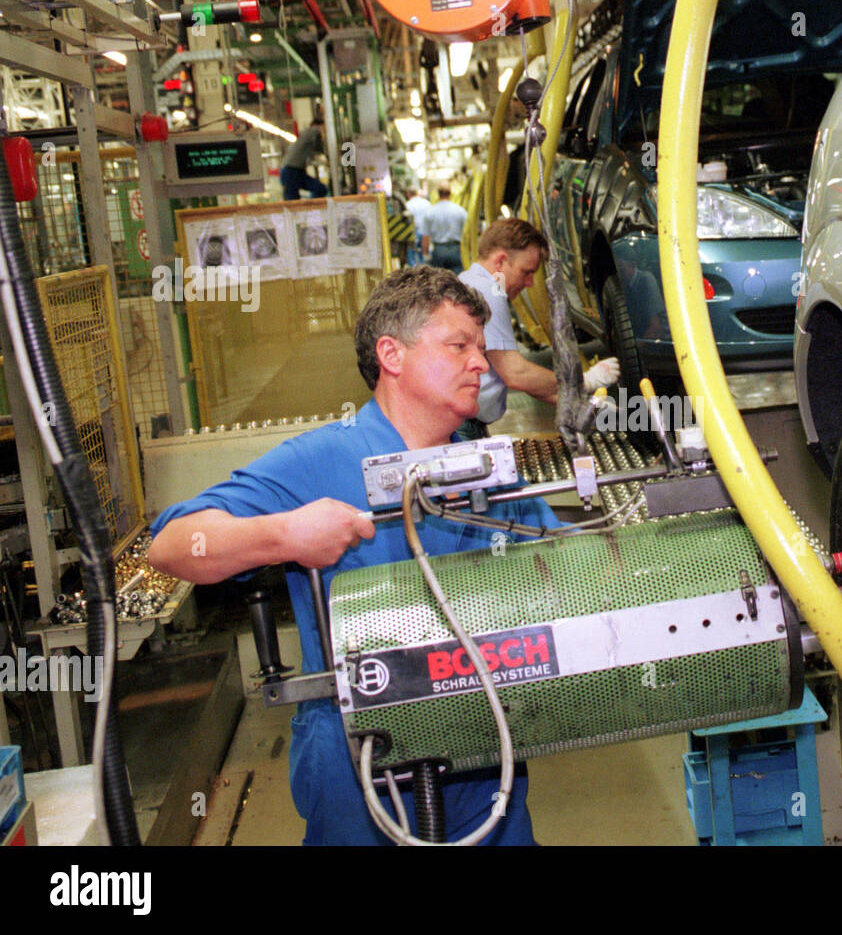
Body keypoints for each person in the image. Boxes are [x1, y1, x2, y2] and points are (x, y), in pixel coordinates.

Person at [147, 267, 561, 845]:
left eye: (480, 347)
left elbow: (563, 565)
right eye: (458, 345)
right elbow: (173, 545)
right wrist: (285, 534)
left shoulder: (486, 468)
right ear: (391, 354)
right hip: (362, 761)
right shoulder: (324, 459)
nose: (481, 363)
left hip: (483, 750)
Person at [458, 218, 619, 438]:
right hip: (462, 424)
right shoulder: (489, 292)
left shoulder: (470, 281)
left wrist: (584, 406)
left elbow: (527, 382)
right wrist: (584, 381)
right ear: (501, 262)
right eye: (527, 272)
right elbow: (516, 373)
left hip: (466, 422)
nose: (530, 283)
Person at [280, 117, 329, 201]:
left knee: (320, 189)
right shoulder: (312, 131)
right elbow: (317, 133)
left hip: (296, 171)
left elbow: (313, 154)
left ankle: (310, 209)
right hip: (291, 172)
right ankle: (308, 209)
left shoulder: (305, 138)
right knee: (293, 202)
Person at [427, 185, 468, 270]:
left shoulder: (430, 211)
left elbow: (425, 236)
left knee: (438, 279)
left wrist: (425, 255)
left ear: (438, 194)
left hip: (438, 250)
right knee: (457, 280)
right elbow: (467, 232)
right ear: (450, 194)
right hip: (456, 249)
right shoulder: (460, 210)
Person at [404, 188, 435, 267]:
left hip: (412, 232)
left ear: (408, 194)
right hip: (426, 232)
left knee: (411, 252)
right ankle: (425, 269)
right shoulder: (427, 203)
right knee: (425, 251)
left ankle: (412, 270)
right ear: (417, 193)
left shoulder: (408, 204)